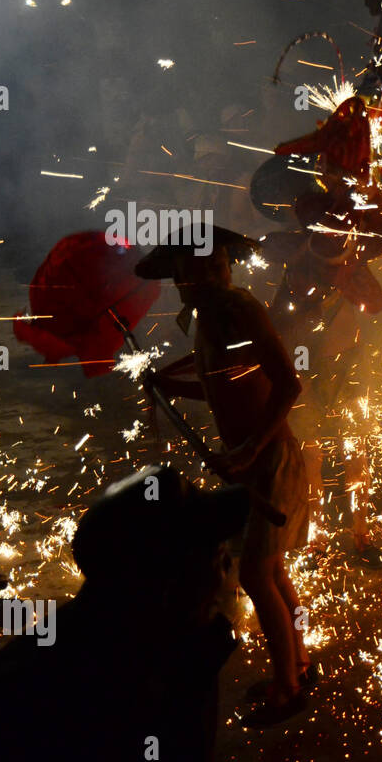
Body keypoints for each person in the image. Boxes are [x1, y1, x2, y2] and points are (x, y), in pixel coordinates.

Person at [0, 466, 244, 762]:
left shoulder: (180, 645)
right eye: (215, 556)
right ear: (167, 585)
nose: (227, 570)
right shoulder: (64, 699)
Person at [137, 227, 313, 728]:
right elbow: (216, 377)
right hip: (250, 462)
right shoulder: (208, 317)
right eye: (200, 269)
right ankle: (297, 664)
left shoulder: (239, 309)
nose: (214, 275)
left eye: (219, 265)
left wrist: (249, 448)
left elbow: (288, 383)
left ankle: (288, 690)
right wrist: (168, 379)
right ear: (180, 277)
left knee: (257, 574)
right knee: (272, 571)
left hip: (272, 458)